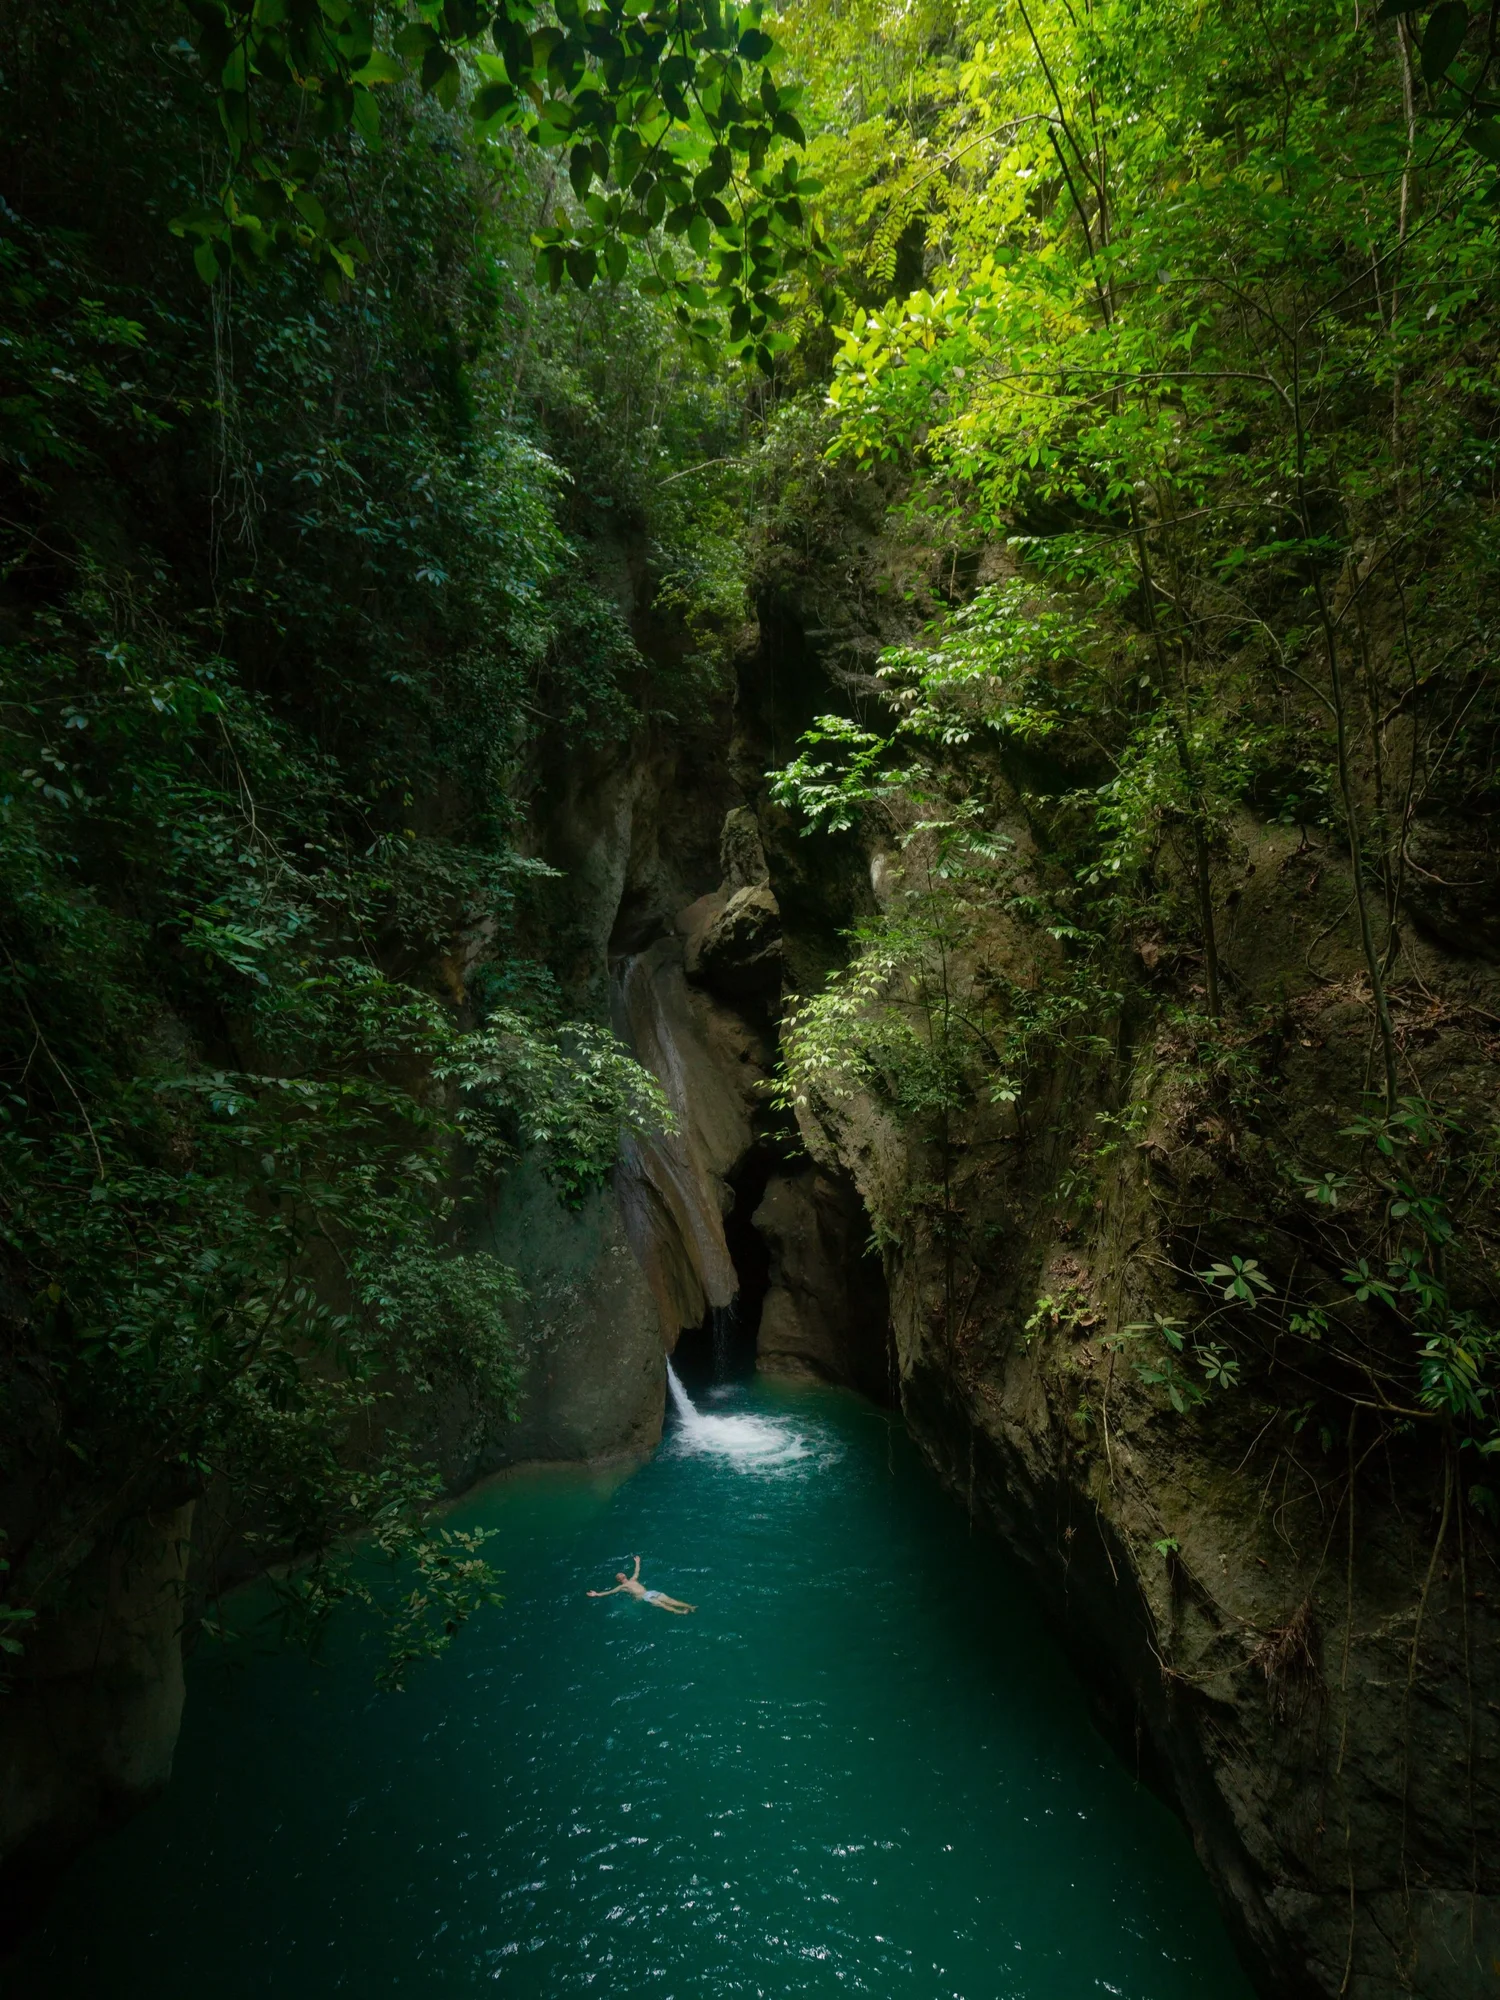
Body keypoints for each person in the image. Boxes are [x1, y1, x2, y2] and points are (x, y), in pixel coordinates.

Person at [588, 1554, 696, 1614]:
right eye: (619, 1574)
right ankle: (680, 1612)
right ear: (619, 1579)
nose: (621, 1573)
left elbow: (637, 1571)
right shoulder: (622, 1586)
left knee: (670, 1600)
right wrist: (597, 1594)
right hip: (645, 1596)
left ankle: (690, 1607)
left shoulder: (633, 1579)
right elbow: (610, 1592)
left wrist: (637, 1562)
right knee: (663, 1605)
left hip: (649, 1592)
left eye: (621, 1573)